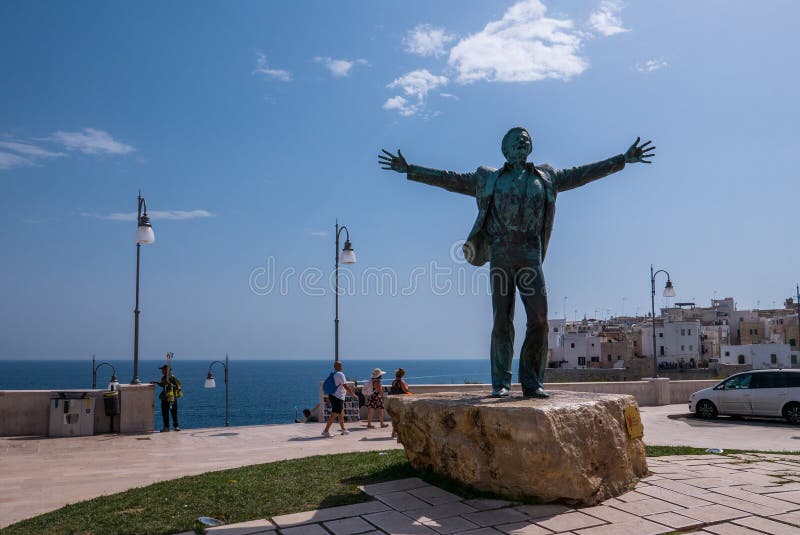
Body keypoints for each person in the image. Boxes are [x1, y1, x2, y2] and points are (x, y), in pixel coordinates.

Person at [379, 129, 654, 398]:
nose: (522, 142)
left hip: (530, 254)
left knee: (540, 319)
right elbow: (448, 179)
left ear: (530, 147)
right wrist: (410, 169)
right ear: (505, 149)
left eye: (525, 139)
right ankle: (500, 382)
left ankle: (532, 382)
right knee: (502, 320)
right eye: (515, 140)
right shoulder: (488, 178)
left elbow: (583, 174)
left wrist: (622, 160)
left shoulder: (547, 176)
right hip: (501, 254)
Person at [322, 361, 356, 437]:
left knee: (341, 413)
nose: (342, 367)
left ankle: (343, 429)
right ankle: (326, 431)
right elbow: (345, 386)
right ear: (336, 366)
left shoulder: (333, 374)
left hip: (333, 396)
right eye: (340, 366)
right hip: (338, 397)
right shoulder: (340, 374)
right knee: (334, 414)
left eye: (341, 365)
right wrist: (353, 394)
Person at [153, 364, 181, 432]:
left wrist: (170, 384)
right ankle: (166, 427)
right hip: (165, 398)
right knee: (165, 413)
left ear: (167, 370)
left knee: (173, 412)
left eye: (163, 370)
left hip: (171, 398)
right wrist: (156, 382)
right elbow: (163, 385)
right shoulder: (163, 378)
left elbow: (178, 387)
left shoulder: (173, 378)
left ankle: (176, 426)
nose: (162, 371)